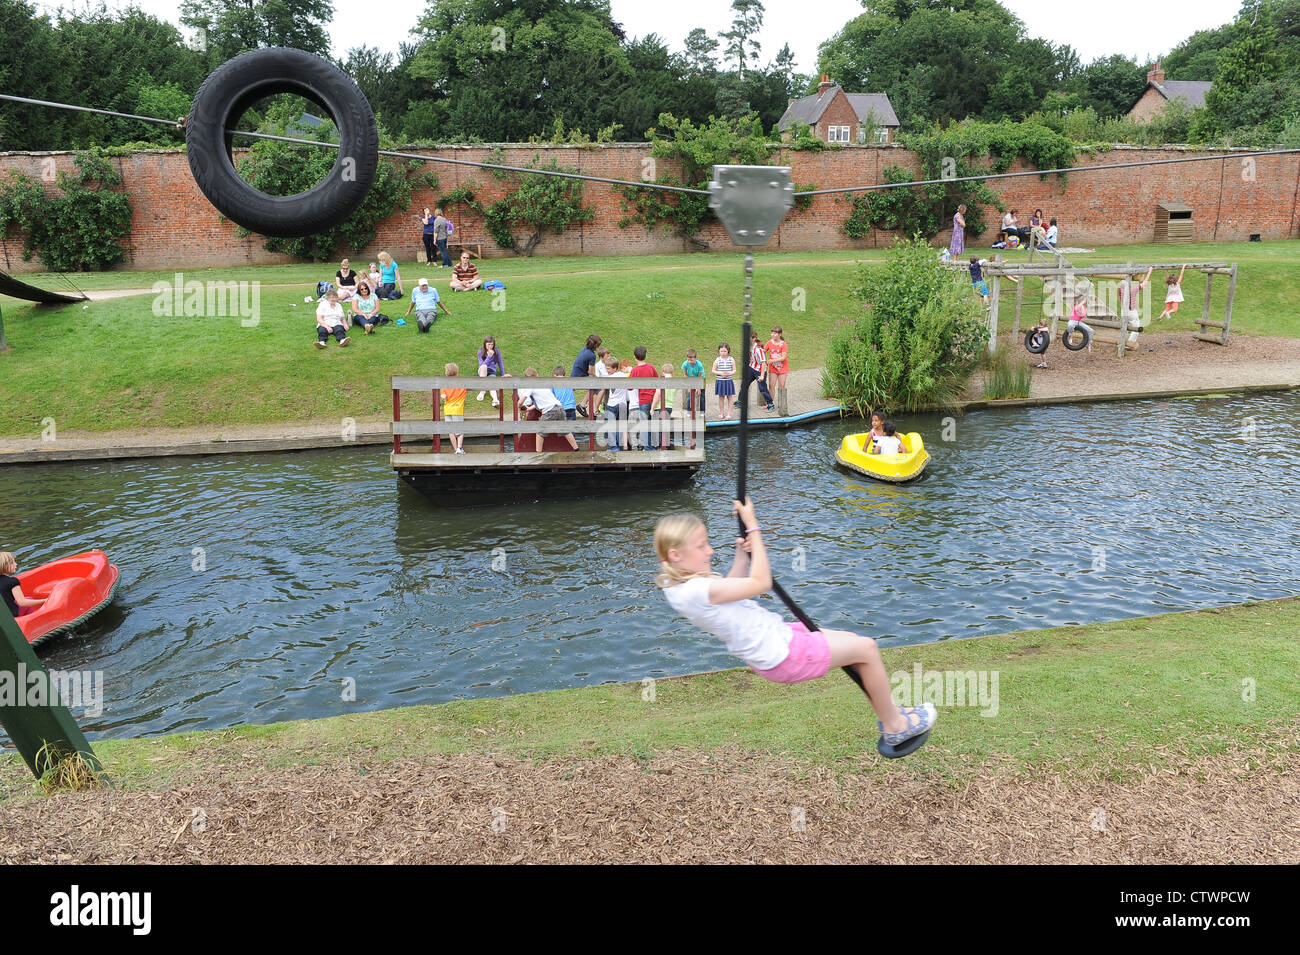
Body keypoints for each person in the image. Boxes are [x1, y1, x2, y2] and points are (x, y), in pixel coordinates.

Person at [655, 501, 936, 748]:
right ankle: (895, 727)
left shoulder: (678, 584)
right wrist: (754, 528)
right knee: (867, 649)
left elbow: (726, 594)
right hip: (784, 654)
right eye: (701, 545)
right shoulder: (694, 589)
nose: (710, 551)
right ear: (676, 555)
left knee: (855, 645)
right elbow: (760, 583)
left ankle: (891, 716)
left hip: (780, 640)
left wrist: (741, 557)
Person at [520, 367, 578, 453]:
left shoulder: (531, 386)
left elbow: (520, 402)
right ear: (537, 375)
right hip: (560, 408)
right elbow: (546, 401)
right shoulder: (543, 385)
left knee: (540, 432)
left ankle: (538, 453)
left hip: (550, 411)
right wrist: (529, 408)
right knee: (565, 431)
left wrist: (520, 407)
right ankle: (576, 449)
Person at [0, 552, 46, 619]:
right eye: (12, 563)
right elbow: (22, 602)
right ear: (4, 566)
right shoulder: (12, 582)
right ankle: (31, 620)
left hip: (2, 617)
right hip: (12, 616)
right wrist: (44, 601)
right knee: (29, 599)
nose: (16, 564)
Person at [630, 345, 658, 448]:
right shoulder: (651, 367)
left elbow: (629, 387)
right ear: (646, 355)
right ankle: (655, 445)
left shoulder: (635, 370)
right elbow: (657, 379)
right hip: (654, 399)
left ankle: (647, 447)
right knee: (654, 424)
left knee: (644, 425)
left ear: (634, 357)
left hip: (643, 400)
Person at [601, 354, 630, 450]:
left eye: (608, 369)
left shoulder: (609, 378)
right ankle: (621, 445)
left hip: (612, 405)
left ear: (615, 368)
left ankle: (614, 446)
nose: (607, 371)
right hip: (622, 404)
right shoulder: (623, 375)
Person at [1121, 266, 1154, 346]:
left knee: (1125, 327)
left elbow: (1124, 280)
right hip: (1131, 311)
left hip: (1123, 311)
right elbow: (1145, 282)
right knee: (1136, 327)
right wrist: (1150, 271)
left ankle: (1123, 342)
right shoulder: (1133, 289)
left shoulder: (1120, 289)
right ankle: (1130, 343)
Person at [571, 333, 602, 416]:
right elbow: (590, 372)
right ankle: (595, 411)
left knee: (595, 386)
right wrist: (598, 378)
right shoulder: (592, 355)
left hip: (574, 375)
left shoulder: (584, 349)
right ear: (595, 346)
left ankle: (582, 405)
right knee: (600, 388)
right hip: (580, 378)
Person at [744, 331, 775, 412]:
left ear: (754, 339)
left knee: (762, 388)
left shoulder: (758, 349)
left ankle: (770, 404)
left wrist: (761, 375)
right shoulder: (748, 347)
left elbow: (764, 363)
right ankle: (741, 401)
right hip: (752, 367)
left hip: (760, 370)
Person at [441, 362, 467, 454]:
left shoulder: (445, 384)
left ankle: (455, 449)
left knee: (450, 430)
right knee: (460, 429)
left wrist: (444, 395)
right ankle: (460, 448)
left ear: (446, 373)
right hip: (457, 408)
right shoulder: (461, 383)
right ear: (457, 372)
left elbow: (443, 396)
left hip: (447, 409)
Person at [765, 326, 790, 417]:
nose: (773, 335)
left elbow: (783, 357)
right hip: (773, 368)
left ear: (780, 334)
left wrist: (772, 361)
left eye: (775, 333)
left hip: (782, 368)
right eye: (772, 333)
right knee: (771, 385)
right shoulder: (769, 343)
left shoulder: (783, 344)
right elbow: (763, 351)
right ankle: (771, 404)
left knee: (781, 386)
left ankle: (781, 405)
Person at [476, 335, 504, 407]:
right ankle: (483, 390)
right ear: (485, 344)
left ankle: (495, 400)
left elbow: (500, 362)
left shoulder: (496, 350)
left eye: (492, 344)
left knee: (491, 383)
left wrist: (503, 374)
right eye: (489, 344)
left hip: (491, 370)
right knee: (484, 366)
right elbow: (482, 364)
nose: (490, 346)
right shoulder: (480, 351)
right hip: (482, 370)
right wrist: (489, 357)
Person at [711, 343, 736, 420]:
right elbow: (713, 370)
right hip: (720, 381)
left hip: (729, 381)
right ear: (719, 351)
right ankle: (721, 413)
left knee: (730, 397)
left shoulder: (731, 359)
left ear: (728, 351)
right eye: (721, 351)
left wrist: (729, 374)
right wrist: (721, 373)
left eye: (725, 351)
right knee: (721, 397)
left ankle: (729, 414)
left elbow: (734, 370)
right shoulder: (717, 360)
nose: (723, 353)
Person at [681, 348, 706, 418]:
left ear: (695, 358)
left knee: (701, 396)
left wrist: (698, 388)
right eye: (688, 359)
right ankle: (689, 411)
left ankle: (702, 412)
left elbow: (699, 377)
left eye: (691, 360)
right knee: (689, 397)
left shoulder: (699, 365)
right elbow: (686, 375)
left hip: (700, 379)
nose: (689, 361)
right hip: (691, 380)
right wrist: (689, 386)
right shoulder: (685, 364)